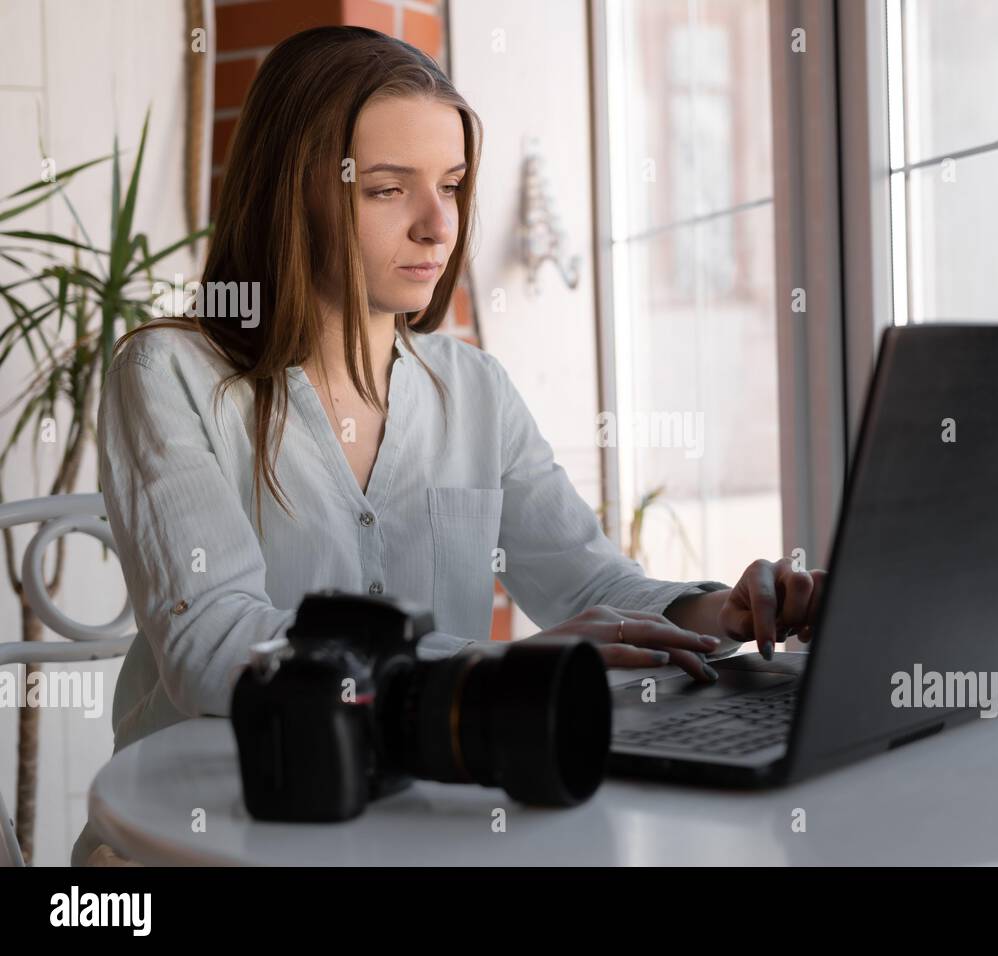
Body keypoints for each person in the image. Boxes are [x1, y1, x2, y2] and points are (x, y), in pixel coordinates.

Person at [72, 25, 824, 865]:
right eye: (389, 190)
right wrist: (487, 667)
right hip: (196, 833)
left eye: (454, 185)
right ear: (295, 193)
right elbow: (212, 647)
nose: (439, 226)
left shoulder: (474, 389)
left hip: (412, 831)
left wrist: (720, 612)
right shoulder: (169, 372)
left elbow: (595, 583)